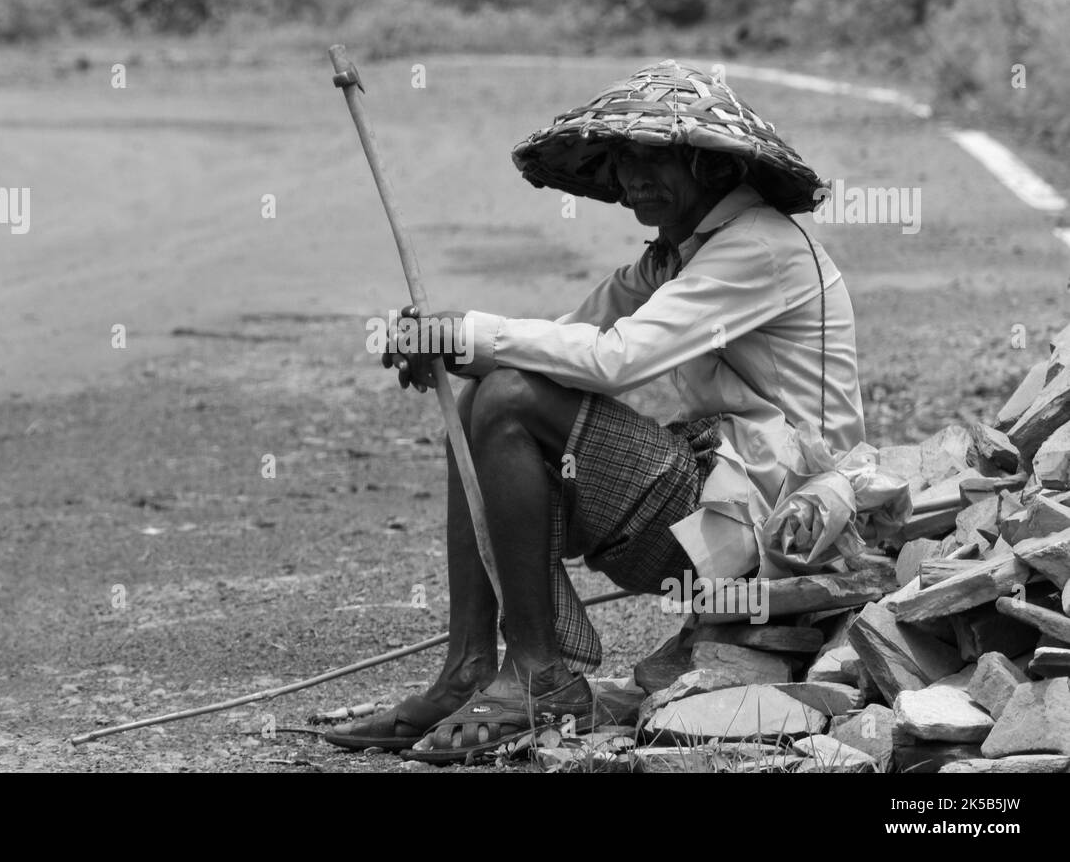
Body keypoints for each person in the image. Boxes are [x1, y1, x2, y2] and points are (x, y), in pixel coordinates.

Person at [325, 60, 865, 764]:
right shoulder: (675, 256)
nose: (632, 176)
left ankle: (539, 677)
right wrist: (445, 347)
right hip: (715, 505)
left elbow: (614, 360)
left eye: (654, 157)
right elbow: (561, 341)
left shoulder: (759, 249)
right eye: (623, 159)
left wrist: (469, 333)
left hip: (778, 530)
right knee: (486, 398)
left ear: (708, 164)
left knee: (512, 401)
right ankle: (467, 671)